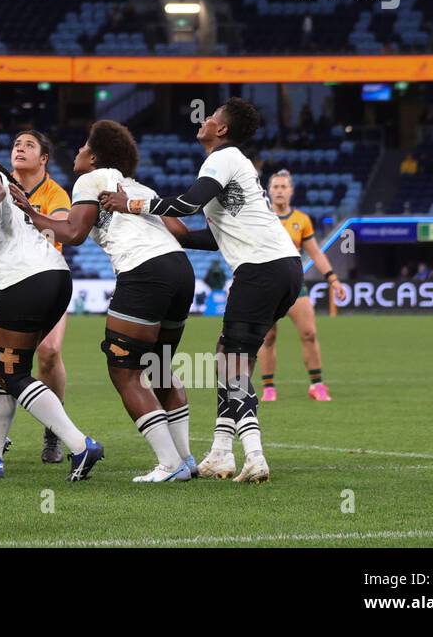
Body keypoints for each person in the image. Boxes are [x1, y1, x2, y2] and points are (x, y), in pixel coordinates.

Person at [101, 98, 302, 484]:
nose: (205, 120)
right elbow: (215, 236)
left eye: (211, 117)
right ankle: (222, 453)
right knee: (229, 358)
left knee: (231, 364)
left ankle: (255, 455)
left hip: (260, 269)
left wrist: (133, 204)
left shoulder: (222, 158)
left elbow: (188, 203)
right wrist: (172, 233)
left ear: (222, 129)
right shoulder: (235, 164)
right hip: (283, 268)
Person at [13, 121, 196, 482]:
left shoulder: (91, 179)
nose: (78, 151)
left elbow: (73, 233)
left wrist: (29, 211)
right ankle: (186, 459)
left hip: (144, 270)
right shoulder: (137, 186)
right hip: (180, 270)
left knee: (124, 370)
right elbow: (180, 231)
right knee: (158, 366)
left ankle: (170, 464)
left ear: (94, 156)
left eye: (83, 146)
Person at [0, 130, 104, 483]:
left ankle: (79, 444)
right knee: (6, 368)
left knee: (13, 373)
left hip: (21, 280)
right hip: (49, 276)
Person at [10, 130, 73, 464]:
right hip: (5, 280)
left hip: (46, 279)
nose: (20, 149)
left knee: (48, 352)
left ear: (44, 159)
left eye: (29, 145)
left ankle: (53, 432)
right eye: (17, 144)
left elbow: (59, 226)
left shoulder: (55, 193)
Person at [257, 170, 342, 402]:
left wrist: (332, 279)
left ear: (291, 191)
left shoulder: (302, 220)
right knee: (268, 338)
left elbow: (315, 252)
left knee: (309, 333)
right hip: (266, 286)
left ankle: (316, 385)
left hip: (294, 286)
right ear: (268, 191)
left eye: (284, 186)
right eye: (275, 187)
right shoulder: (260, 217)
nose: (280, 191)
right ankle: (269, 388)